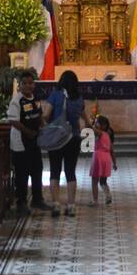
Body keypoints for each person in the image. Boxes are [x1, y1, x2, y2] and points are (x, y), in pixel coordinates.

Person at [6, 70, 49, 216]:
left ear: (34, 84)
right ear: (20, 85)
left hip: (34, 141)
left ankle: (37, 199)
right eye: (25, 83)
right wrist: (27, 131)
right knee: (22, 174)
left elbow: (39, 115)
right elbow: (13, 120)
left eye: (31, 83)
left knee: (37, 170)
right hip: (20, 142)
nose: (28, 86)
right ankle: (21, 203)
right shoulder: (16, 100)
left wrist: (44, 126)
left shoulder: (34, 99)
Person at [45, 69, 87, 217]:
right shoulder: (78, 98)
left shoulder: (55, 95)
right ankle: (71, 205)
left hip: (56, 137)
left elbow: (46, 115)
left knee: (54, 172)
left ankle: (56, 204)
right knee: (70, 172)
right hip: (73, 138)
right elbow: (83, 117)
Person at [90, 114, 117, 206]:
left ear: (103, 125)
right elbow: (112, 151)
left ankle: (95, 201)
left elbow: (92, 129)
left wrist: (90, 121)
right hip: (107, 159)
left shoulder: (100, 133)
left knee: (94, 181)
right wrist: (114, 163)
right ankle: (108, 195)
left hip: (98, 157)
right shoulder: (108, 135)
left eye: (97, 122)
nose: (95, 123)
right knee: (103, 181)